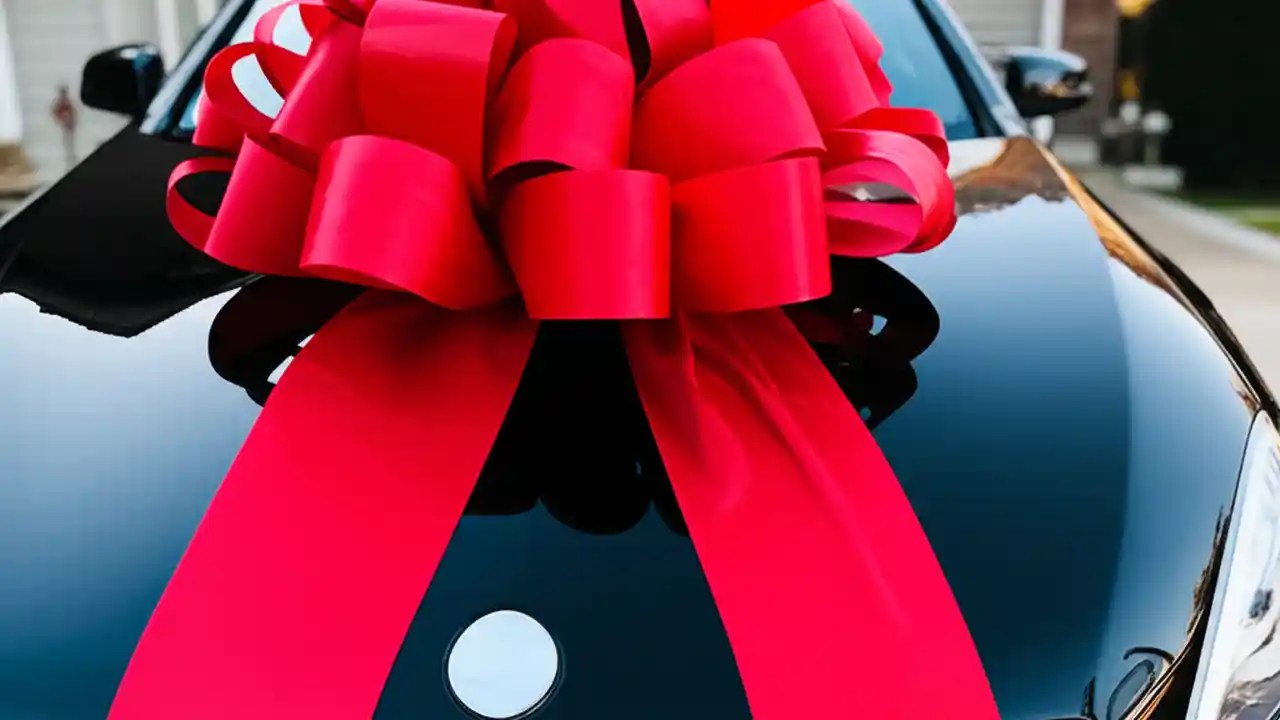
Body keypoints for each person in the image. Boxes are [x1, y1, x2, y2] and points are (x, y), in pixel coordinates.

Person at [50, 84, 77, 170]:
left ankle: (70, 153)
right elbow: (55, 111)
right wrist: (60, 120)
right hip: (67, 123)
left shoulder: (65, 101)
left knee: (69, 139)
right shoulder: (63, 101)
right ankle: (69, 153)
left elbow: (72, 111)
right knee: (68, 139)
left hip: (69, 123)